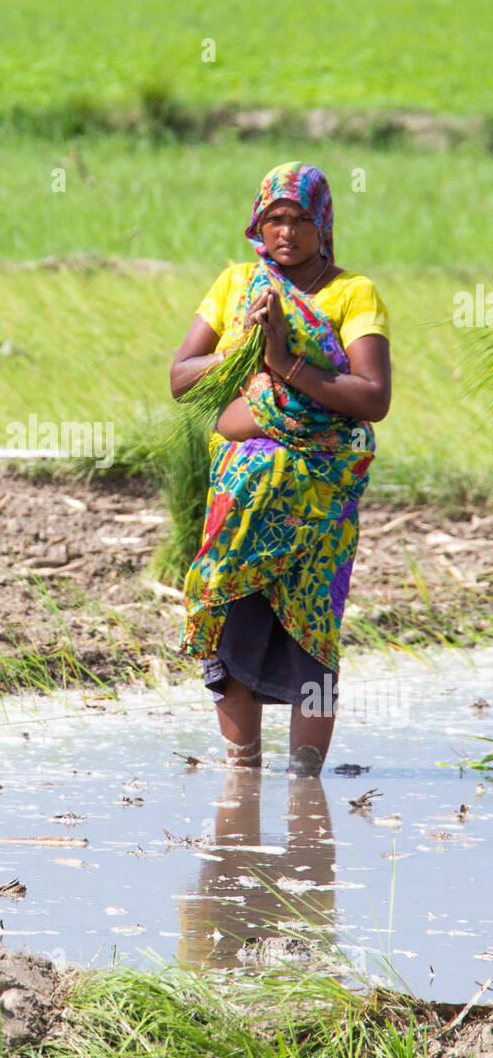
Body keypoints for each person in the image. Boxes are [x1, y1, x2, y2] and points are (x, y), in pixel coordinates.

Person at [170, 160, 391, 776]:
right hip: (244, 510)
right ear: (257, 225)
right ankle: (241, 774)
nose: (285, 232)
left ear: (322, 223)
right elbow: (181, 379)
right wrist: (245, 353)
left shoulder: (353, 293)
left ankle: (305, 785)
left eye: (298, 218)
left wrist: (285, 363)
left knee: (312, 639)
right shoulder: (238, 284)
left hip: (320, 506)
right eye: (274, 219)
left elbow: (373, 397)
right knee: (236, 623)